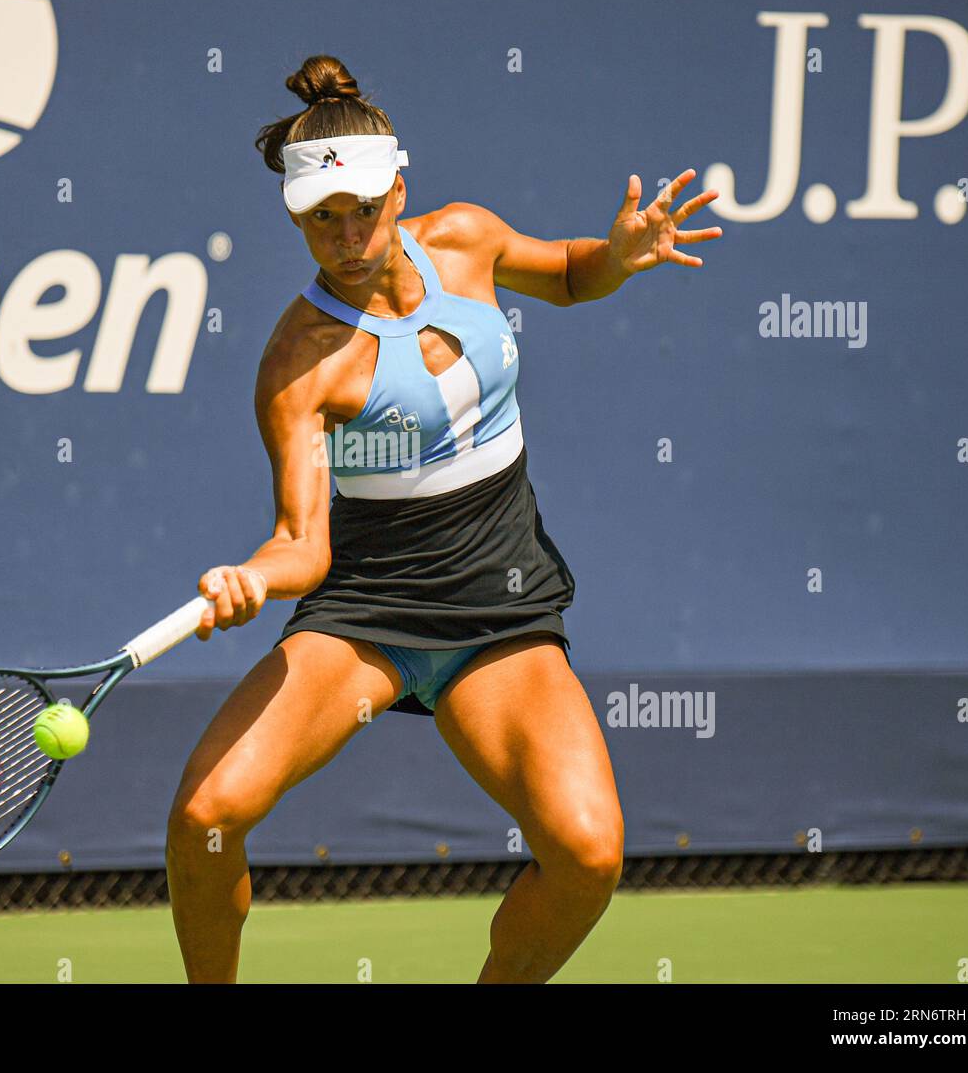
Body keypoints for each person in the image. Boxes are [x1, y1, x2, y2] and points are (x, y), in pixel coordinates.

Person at [166, 54, 721, 983]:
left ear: (400, 190)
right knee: (205, 819)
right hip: (368, 617)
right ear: (297, 219)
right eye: (321, 220)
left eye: (365, 210)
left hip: (500, 612)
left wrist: (618, 255)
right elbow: (302, 544)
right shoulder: (297, 366)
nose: (347, 237)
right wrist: (254, 579)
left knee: (587, 854)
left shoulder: (466, 239)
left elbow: (572, 277)